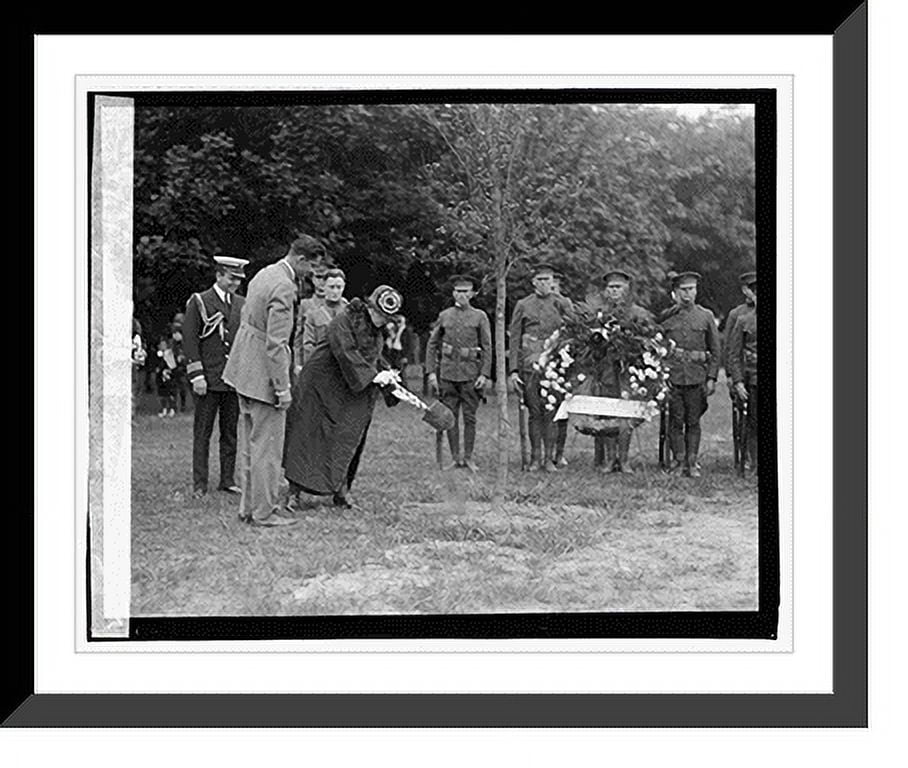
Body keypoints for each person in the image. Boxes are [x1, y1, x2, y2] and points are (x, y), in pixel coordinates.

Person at [223, 236, 324, 527]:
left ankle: (248, 508)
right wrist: (282, 387)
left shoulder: (265, 273)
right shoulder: (284, 287)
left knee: (250, 444)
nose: (313, 275)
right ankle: (264, 512)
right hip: (263, 374)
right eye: (312, 268)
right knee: (267, 447)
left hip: (243, 369)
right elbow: (277, 344)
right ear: (301, 260)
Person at [282, 285, 404, 510]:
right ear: (369, 307)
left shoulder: (376, 332)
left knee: (348, 436)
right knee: (307, 436)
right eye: (378, 314)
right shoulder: (343, 321)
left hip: (348, 389)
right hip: (320, 386)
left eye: (386, 318)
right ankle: (294, 492)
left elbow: (374, 358)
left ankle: (341, 490)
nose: (381, 320)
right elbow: (345, 353)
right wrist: (374, 376)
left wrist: (391, 381)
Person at [182, 256, 247, 498]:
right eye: (231, 278)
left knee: (230, 432)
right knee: (203, 432)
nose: (235, 284)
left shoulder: (242, 303)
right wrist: (197, 374)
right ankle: (200, 483)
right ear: (219, 276)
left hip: (232, 379)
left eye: (238, 280)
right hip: (207, 378)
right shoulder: (200, 301)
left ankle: (227, 480)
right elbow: (189, 340)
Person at [587, 268, 654, 473]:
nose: (614, 291)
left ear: (627, 289)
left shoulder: (638, 314)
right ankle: (609, 459)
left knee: (626, 414)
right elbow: (591, 346)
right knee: (608, 413)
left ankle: (624, 460)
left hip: (629, 372)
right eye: (610, 287)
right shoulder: (600, 315)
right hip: (606, 370)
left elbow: (648, 343)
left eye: (618, 287)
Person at [508, 263, 574, 472]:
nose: (545, 284)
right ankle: (535, 458)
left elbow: (572, 334)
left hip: (555, 365)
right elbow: (515, 338)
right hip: (530, 365)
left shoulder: (562, 304)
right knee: (535, 412)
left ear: (553, 281)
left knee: (552, 412)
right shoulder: (523, 305)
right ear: (533, 282)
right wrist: (513, 370)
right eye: (540, 280)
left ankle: (549, 458)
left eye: (548, 280)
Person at [425, 274, 492, 472]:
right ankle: (455, 457)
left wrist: (484, 374)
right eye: (457, 291)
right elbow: (432, 344)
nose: (461, 295)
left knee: (470, 417)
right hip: (447, 373)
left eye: (465, 291)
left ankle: (469, 457)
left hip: (470, 374)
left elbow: (487, 347)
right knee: (450, 416)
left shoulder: (480, 316)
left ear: (472, 294)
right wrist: (431, 372)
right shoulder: (445, 315)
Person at [659, 272, 722, 477]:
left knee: (693, 421)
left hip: (697, 377)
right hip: (674, 377)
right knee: (675, 421)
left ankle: (692, 462)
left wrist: (711, 377)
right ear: (676, 292)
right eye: (684, 290)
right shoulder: (667, 317)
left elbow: (715, 349)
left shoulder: (705, 316)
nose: (688, 294)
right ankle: (679, 461)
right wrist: (661, 376)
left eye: (692, 289)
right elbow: (657, 347)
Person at [726, 274, 759, 474]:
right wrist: (737, 381)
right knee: (753, 424)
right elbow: (734, 354)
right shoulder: (743, 320)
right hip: (752, 380)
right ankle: (754, 463)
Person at [301, 267, 349, 366]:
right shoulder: (313, 315)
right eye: (331, 287)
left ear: (344, 287)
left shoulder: (350, 313)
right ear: (324, 287)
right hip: (322, 367)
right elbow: (308, 345)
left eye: (339, 287)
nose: (335, 291)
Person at [292, 259, 329, 382]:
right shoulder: (305, 304)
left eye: (326, 278)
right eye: (318, 277)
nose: (322, 282)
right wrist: (298, 363)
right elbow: (298, 336)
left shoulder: (342, 305)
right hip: (311, 359)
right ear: (313, 279)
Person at [550, 270, 571, 467]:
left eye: (555, 287)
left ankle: (559, 452)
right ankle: (543, 452)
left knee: (562, 411)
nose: (552, 291)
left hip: (562, 362)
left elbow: (574, 330)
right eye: (550, 287)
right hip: (541, 359)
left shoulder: (566, 305)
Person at [169, 312, 190, 412]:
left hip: (181, 364)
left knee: (181, 385)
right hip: (175, 363)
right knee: (175, 385)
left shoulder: (184, 338)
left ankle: (181, 405)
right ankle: (177, 405)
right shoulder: (174, 341)